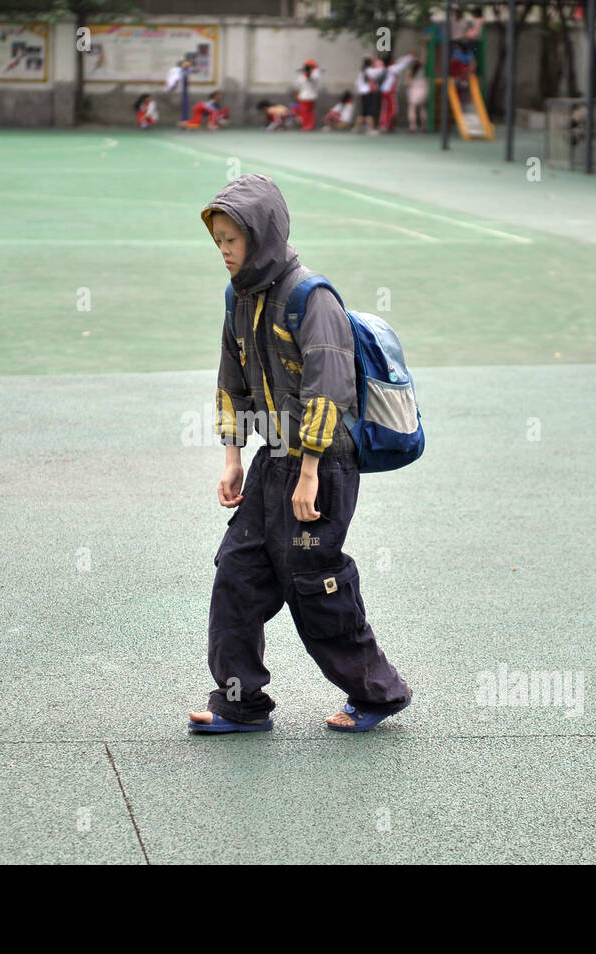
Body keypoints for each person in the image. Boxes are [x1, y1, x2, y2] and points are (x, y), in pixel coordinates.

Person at [188, 173, 413, 734]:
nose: (224, 252)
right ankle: (240, 702)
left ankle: (378, 694)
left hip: (325, 465)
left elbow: (329, 390)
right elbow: (230, 378)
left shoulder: (313, 298)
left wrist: (309, 472)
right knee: (236, 575)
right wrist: (233, 457)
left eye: (231, 241)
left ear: (261, 235)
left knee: (314, 584)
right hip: (272, 464)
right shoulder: (239, 296)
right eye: (217, 242)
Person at [379, 52, 415, 132]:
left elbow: (400, 62)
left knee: (385, 108)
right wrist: (410, 56)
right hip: (389, 91)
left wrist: (407, 57)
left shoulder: (387, 68)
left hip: (385, 90)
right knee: (393, 110)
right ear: (391, 61)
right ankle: (386, 126)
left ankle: (385, 125)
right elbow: (402, 65)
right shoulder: (392, 68)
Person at [292, 59, 320, 131]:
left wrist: (308, 74)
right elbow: (298, 85)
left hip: (309, 96)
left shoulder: (315, 74)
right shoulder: (303, 75)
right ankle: (307, 125)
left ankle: (308, 125)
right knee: (305, 112)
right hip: (305, 96)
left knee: (309, 112)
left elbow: (312, 79)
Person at [405, 58, 428, 133]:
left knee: (412, 108)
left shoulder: (410, 71)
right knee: (422, 108)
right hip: (423, 89)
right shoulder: (424, 71)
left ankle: (413, 127)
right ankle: (424, 126)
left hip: (414, 90)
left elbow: (409, 83)